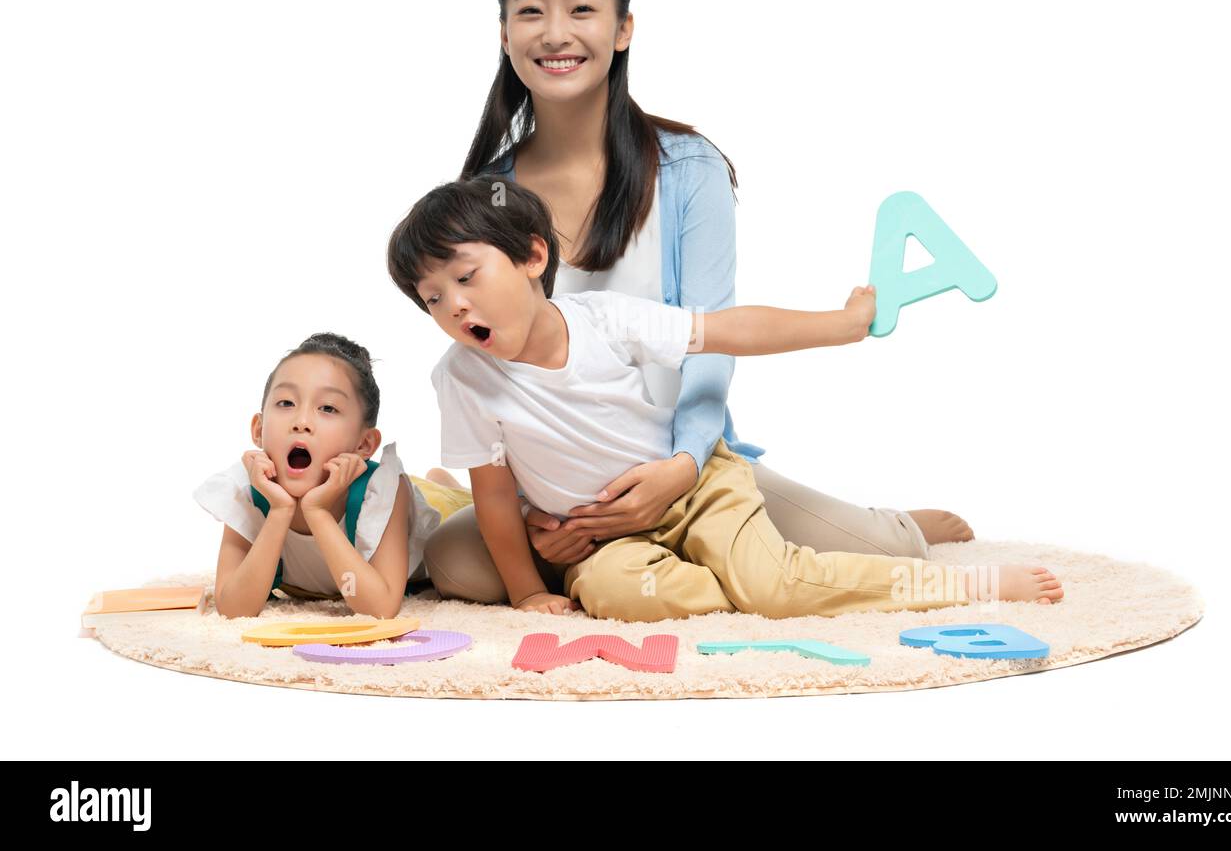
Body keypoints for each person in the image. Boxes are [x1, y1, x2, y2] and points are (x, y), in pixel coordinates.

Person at [421, 0, 974, 605]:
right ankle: (619, 556)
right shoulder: (489, 194)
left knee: (880, 552)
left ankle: (876, 527)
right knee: (455, 564)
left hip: (680, 461)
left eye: (582, 9)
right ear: (505, 36)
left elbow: (712, 340)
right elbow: (490, 360)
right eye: (530, 12)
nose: (555, 33)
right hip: (562, 484)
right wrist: (538, 518)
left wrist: (680, 467)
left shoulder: (687, 168)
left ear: (623, 28)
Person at [386, 178, 1064, 620]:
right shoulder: (462, 379)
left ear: (533, 256)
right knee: (622, 593)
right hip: (600, 537)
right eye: (434, 298)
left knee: (776, 584)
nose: (454, 306)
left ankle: (950, 572)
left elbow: (725, 330)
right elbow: (497, 500)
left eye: (466, 277)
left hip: (697, 489)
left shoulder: (605, 319)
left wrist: (838, 324)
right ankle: (756, 577)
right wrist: (532, 590)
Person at [193, 332, 472, 618]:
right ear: (258, 429)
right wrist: (279, 512)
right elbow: (233, 608)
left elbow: (380, 609)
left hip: (436, 513)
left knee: (455, 508)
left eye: (327, 408)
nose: (301, 422)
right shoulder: (247, 489)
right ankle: (437, 480)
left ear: (364, 445)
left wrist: (318, 513)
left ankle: (442, 483)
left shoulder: (382, 491)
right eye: (286, 403)